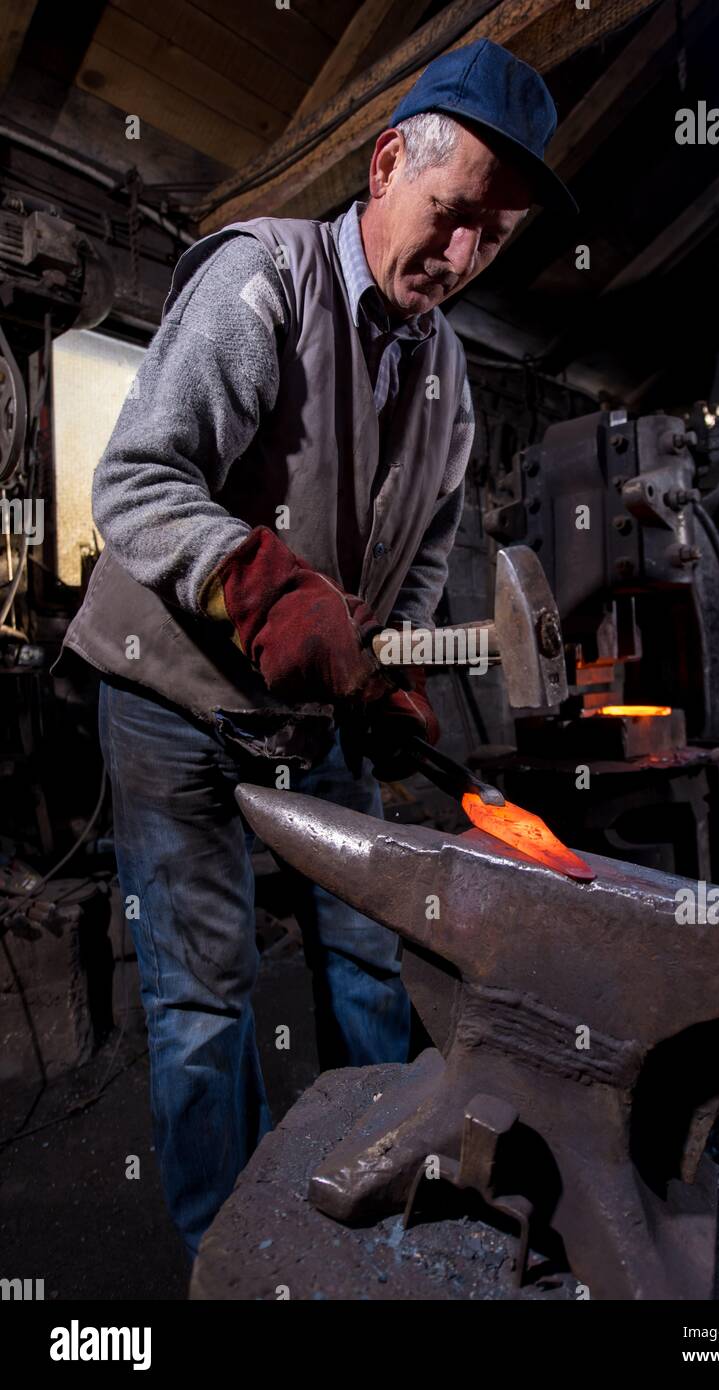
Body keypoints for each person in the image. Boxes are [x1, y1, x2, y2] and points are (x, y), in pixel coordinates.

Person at [55, 37, 577, 1258]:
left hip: (309, 724)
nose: (460, 258)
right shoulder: (262, 281)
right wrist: (253, 576)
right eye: (450, 218)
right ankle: (226, 1254)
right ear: (390, 159)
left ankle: (369, 1227)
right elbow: (132, 482)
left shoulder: (450, 378)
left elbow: (418, 565)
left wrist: (386, 668)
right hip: (170, 702)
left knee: (373, 953)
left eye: (490, 241)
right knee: (203, 1006)